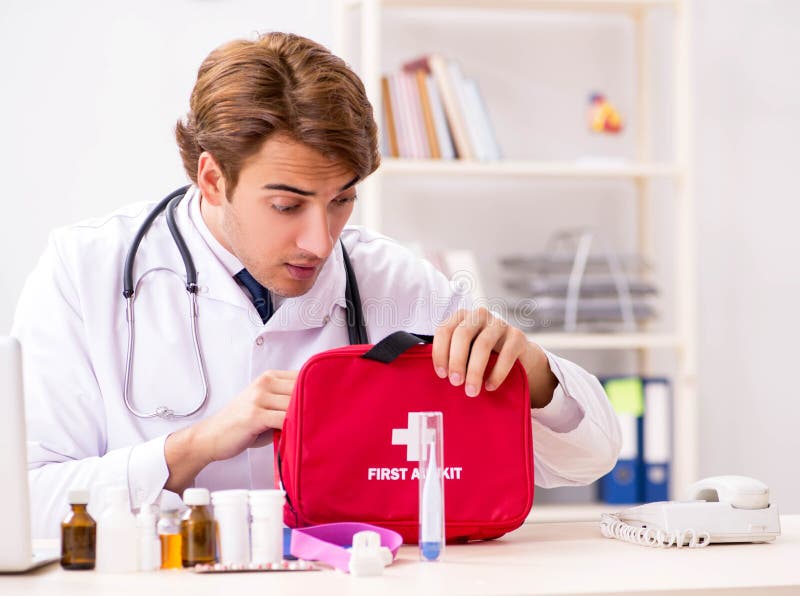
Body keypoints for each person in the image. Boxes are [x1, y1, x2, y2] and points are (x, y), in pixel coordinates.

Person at [12, 32, 621, 538]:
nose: (320, 240)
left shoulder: (389, 278)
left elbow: (589, 460)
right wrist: (194, 446)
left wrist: (534, 376)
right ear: (213, 179)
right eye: (287, 205)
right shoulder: (86, 271)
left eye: (342, 200)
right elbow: (25, 501)